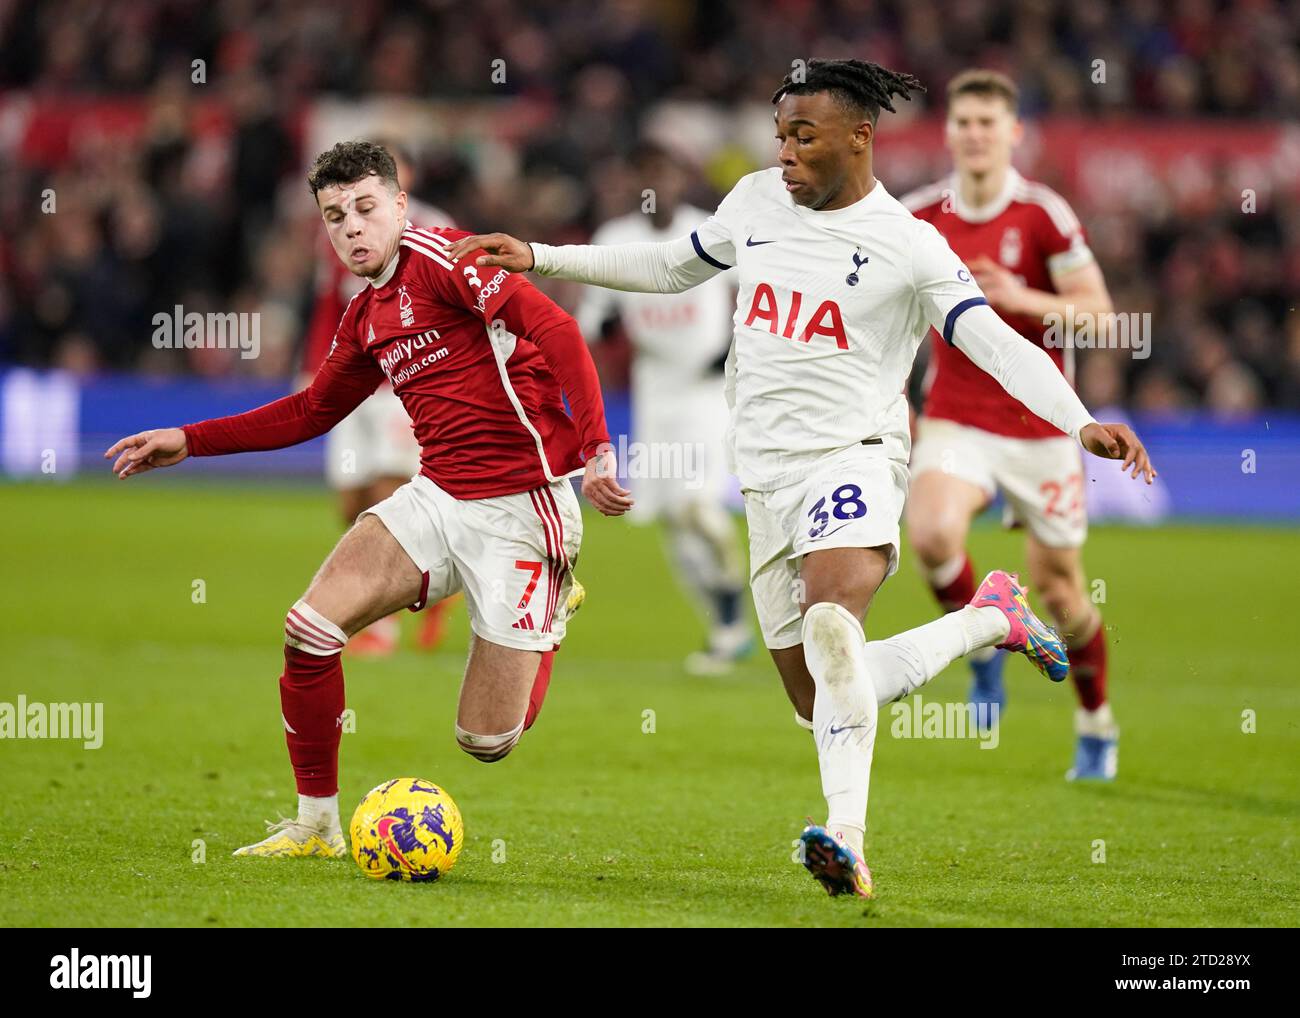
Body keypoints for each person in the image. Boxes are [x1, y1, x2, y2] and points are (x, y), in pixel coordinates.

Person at [446, 59, 1155, 899]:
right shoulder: (754, 202)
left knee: (830, 624)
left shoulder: (908, 244)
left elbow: (994, 343)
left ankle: (847, 841)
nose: (783, 152)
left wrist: (1079, 419)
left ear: (860, 136)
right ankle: (988, 618)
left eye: (802, 135)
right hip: (766, 479)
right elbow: (673, 266)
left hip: (856, 457)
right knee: (819, 695)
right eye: (779, 134)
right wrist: (540, 256)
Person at [106, 141, 630, 859]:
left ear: (399, 204)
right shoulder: (365, 315)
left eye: (364, 208)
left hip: (523, 509)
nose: (351, 227)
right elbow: (310, 412)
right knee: (309, 630)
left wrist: (599, 450)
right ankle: (315, 824)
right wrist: (188, 440)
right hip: (437, 497)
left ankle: (553, 613)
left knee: (485, 741)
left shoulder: (447, 259)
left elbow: (557, 328)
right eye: (334, 216)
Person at [901, 70, 1120, 779]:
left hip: (1041, 429)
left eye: (987, 123)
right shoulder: (918, 215)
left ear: (1013, 133)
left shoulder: (1043, 215)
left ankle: (1095, 720)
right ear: (949, 132)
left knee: (1062, 594)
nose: (973, 134)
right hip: (957, 418)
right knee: (931, 532)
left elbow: (1101, 315)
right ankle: (986, 643)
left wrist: (1019, 295)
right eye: (962, 121)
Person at [577, 142, 752, 674]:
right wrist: (605, 326)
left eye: (666, 177)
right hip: (655, 396)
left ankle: (735, 606)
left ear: (682, 181)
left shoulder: (711, 233)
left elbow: (757, 294)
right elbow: (593, 315)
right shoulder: (616, 239)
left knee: (696, 507)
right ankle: (726, 625)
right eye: (646, 178)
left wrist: (732, 350)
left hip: (706, 391)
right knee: (673, 524)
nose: (657, 189)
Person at [297, 140, 457, 656]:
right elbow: (329, 301)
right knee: (351, 499)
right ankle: (440, 588)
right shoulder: (340, 235)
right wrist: (313, 367)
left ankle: (380, 624)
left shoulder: (435, 230)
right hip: (353, 380)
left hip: (401, 385)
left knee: (390, 494)